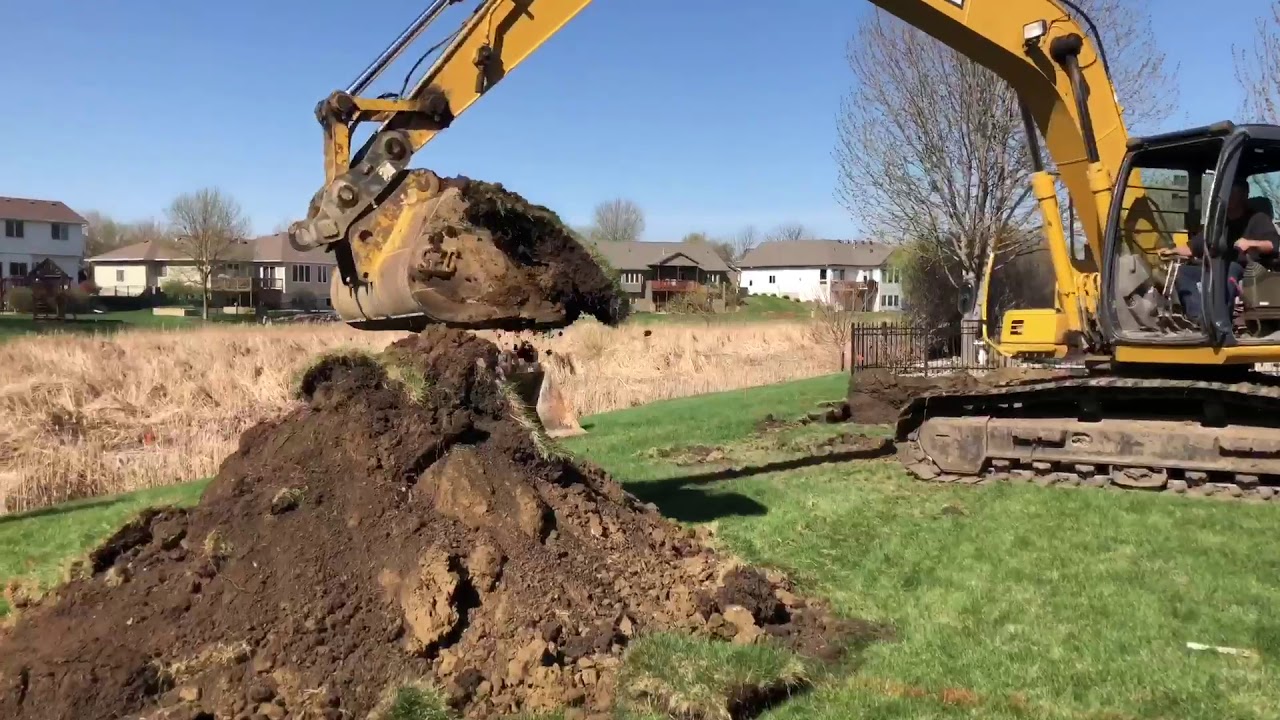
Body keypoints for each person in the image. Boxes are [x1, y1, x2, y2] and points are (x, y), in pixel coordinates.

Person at [1165, 178, 1280, 321]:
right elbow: (1194, 246)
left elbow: (1272, 245)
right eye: (1226, 192)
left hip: (1247, 269)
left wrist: (1250, 243)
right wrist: (1171, 251)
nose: (1228, 195)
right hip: (1219, 266)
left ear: (1244, 194)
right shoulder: (1219, 224)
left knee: (1229, 268)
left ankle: (1221, 319)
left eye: (1233, 191)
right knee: (1184, 272)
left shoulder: (1258, 218)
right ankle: (1198, 318)